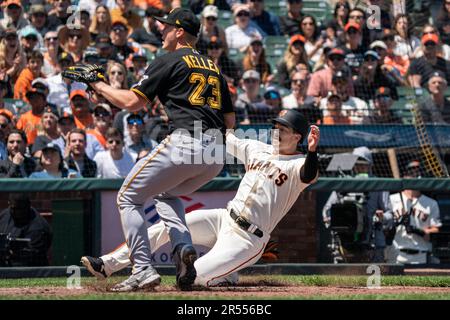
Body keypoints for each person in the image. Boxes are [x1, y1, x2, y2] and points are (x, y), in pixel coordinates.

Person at [63, 8, 235, 292]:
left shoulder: (168, 59)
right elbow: (230, 121)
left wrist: (98, 84)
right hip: (217, 152)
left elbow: (131, 102)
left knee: (128, 197)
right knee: (165, 193)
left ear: (180, 32)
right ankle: (182, 250)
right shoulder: (213, 66)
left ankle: (142, 269)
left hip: (186, 142)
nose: (161, 31)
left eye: (167, 27)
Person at [82, 110, 320, 286]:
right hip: (224, 218)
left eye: (283, 129)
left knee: (193, 279)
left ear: (297, 137)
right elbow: (225, 137)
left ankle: (227, 275)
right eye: (275, 127)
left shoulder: (298, 164)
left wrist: (311, 152)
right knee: (163, 228)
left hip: (248, 238)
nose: (276, 132)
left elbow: (308, 173)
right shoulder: (256, 148)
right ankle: (107, 264)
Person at [322, 147, 393, 263]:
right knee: (343, 279)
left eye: (363, 164)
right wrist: (330, 218)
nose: (360, 167)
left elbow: (390, 215)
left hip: (371, 241)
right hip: (345, 239)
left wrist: (382, 217)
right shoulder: (344, 183)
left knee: (373, 279)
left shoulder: (379, 184)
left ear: (370, 165)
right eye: (357, 164)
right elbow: (327, 209)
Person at [387, 160, 442, 264]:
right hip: (396, 255)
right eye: (411, 173)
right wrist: (396, 224)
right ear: (405, 175)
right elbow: (383, 228)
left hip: (420, 256)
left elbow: (436, 231)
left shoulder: (431, 203)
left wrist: (417, 230)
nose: (415, 176)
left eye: (418, 173)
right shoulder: (391, 200)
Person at [0, 193, 52, 266]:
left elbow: (31, 257)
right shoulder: (5, 215)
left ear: (28, 206)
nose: (15, 212)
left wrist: (10, 253)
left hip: (29, 271)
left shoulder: (38, 228)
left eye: (19, 209)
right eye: (12, 208)